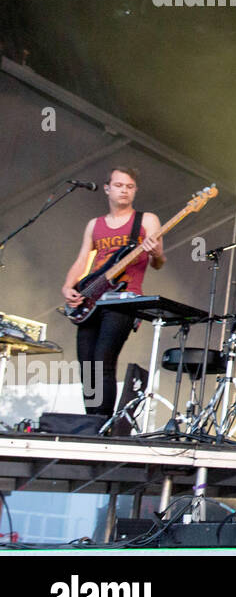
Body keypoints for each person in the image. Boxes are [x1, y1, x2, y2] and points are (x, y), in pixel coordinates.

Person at [61, 167, 165, 419]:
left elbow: (159, 262)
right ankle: (91, 420)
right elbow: (82, 259)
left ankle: (103, 423)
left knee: (103, 362)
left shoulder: (146, 220)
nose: (124, 190)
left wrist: (155, 252)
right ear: (107, 188)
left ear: (135, 190)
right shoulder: (94, 225)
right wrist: (67, 286)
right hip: (91, 296)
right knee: (87, 366)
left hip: (124, 298)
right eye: (119, 185)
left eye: (129, 186)